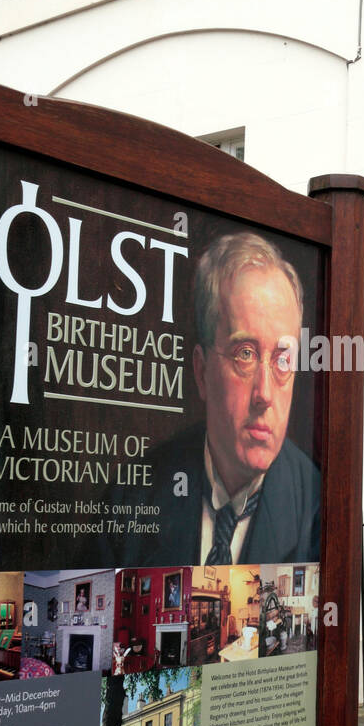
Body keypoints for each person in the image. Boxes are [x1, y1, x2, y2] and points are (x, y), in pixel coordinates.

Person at [108, 233, 319, 567]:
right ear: (202, 370)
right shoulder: (133, 492)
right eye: (245, 354)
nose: (264, 394)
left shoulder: (320, 506)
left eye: (283, 359)